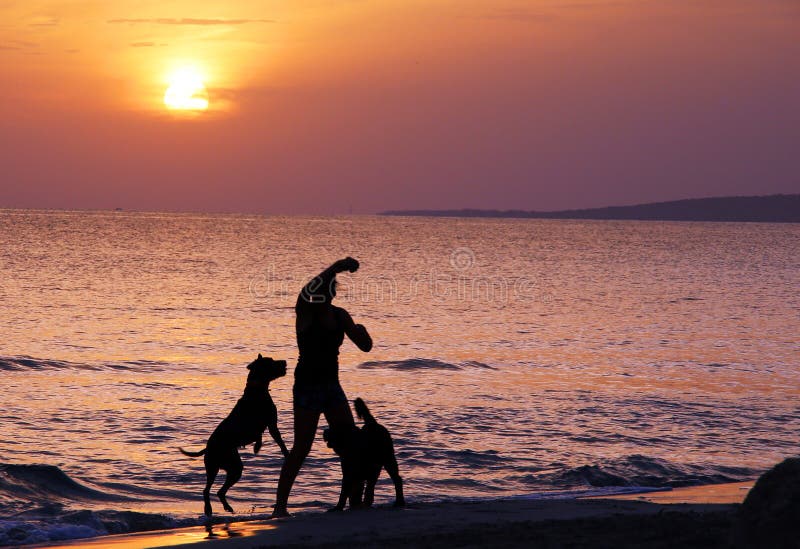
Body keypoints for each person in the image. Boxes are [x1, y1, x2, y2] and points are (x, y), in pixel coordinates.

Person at [271, 257, 373, 517]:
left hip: (331, 386)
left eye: (323, 291)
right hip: (306, 386)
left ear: (329, 294)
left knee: (350, 441)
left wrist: (362, 331)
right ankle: (280, 507)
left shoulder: (340, 315)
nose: (317, 294)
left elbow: (365, 346)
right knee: (301, 447)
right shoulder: (305, 312)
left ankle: (355, 502)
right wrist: (337, 265)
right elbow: (307, 291)